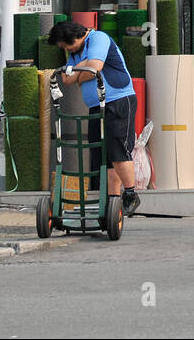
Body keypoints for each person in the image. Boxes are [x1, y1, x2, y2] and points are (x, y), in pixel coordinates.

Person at [47, 20, 141, 216]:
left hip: (118, 100)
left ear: (74, 37)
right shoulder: (75, 53)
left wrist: (81, 70)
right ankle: (113, 202)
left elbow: (95, 68)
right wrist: (84, 66)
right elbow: (66, 79)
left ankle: (131, 194)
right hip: (96, 106)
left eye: (65, 45)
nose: (65, 50)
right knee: (102, 155)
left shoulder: (98, 38)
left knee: (118, 150)